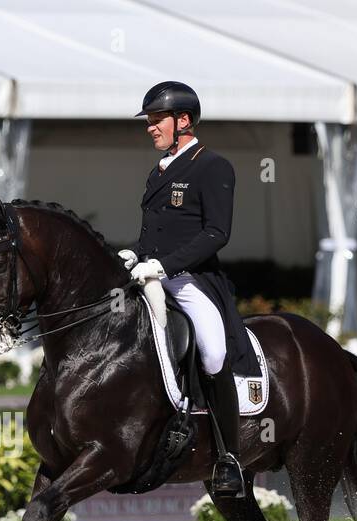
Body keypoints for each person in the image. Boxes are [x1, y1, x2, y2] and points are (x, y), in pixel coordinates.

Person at [119, 80, 246, 497]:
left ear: (183, 121)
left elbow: (216, 233)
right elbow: (154, 232)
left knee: (212, 351)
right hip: (151, 274)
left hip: (191, 280)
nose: (150, 128)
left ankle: (229, 458)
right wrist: (134, 255)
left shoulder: (213, 166)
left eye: (157, 121)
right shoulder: (158, 171)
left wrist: (164, 265)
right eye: (150, 121)